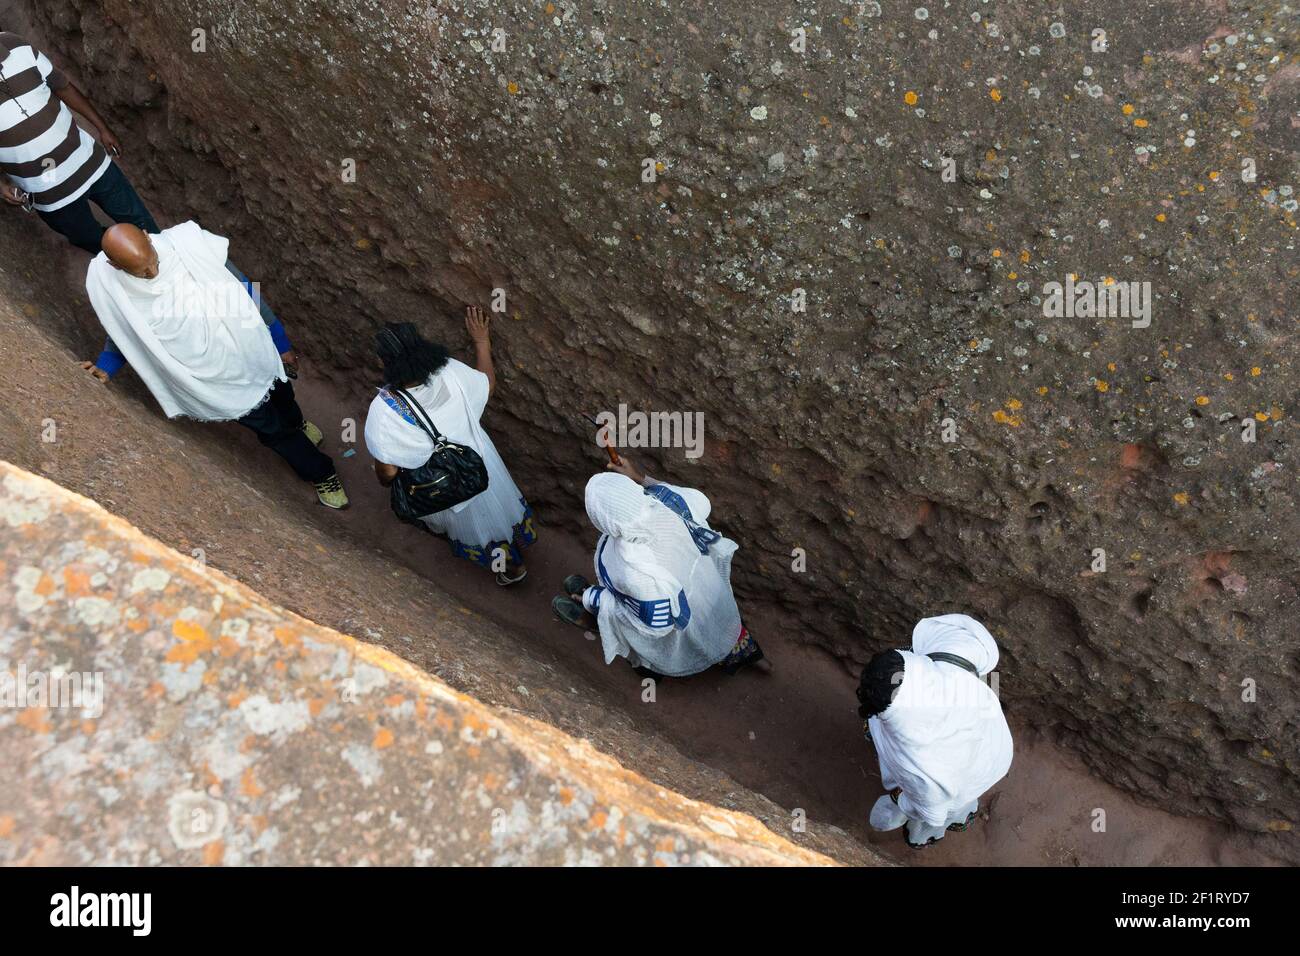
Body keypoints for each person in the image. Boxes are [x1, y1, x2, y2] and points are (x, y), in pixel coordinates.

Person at [82, 222, 348, 509]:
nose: (152, 274)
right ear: (114, 264)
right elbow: (127, 331)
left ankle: (299, 423)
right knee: (274, 431)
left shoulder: (189, 245)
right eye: (142, 272)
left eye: (153, 263)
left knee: (282, 392)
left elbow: (246, 289)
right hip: (214, 378)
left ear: (148, 236)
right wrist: (106, 366)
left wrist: (280, 342)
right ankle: (323, 473)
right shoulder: (109, 283)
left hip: (250, 348)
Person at [552, 456, 770, 677]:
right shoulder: (668, 502)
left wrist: (594, 598)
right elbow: (696, 501)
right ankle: (756, 659)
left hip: (679, 624)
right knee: (722, 628)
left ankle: (645, 665)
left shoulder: (633, 568)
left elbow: (655, 624)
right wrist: (638, 477)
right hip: (710, 596)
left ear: (604, 522)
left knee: (641, 638)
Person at [364, 309, 537, 585]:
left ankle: (514, 570)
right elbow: (487, 385)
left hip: (447, 487)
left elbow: (386, 470)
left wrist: (386, 480)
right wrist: (482, 342)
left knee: (478, 531)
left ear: (385, 362)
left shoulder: (384, 412)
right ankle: (516, 553)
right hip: (481, 464)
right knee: (500, 514)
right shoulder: (450, 370)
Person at [858, 613, 1013, 849]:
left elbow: (931, 810)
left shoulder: (920, 767)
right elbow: (975, 639)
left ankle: (921, 835)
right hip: (993, 747)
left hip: (961, 782)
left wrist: (896, 801)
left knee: (941, 813)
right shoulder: (948, 657)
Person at [0, 31, 158, 252]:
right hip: (49, 195)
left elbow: (61, 85)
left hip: (91, 162)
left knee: (144, 226)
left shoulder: (15, 45)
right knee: (99, 245)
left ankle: (176, 271)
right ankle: (137, 275)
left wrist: (102, 128)